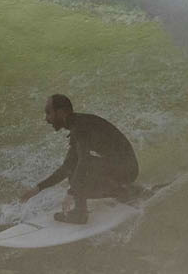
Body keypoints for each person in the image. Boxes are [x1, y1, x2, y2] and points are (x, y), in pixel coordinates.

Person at [24, 93, 141, 224]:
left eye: (49, 113)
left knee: (78, 170)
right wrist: (38, 188)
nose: (47, 119)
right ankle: (124, 192)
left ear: (61, 112)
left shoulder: (80, 128)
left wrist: (72, 192)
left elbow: (83, 161)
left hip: (126, 168)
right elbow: (67, 166)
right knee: (74, 169)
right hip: (127, 168)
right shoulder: (78, 125)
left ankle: (80, 214)